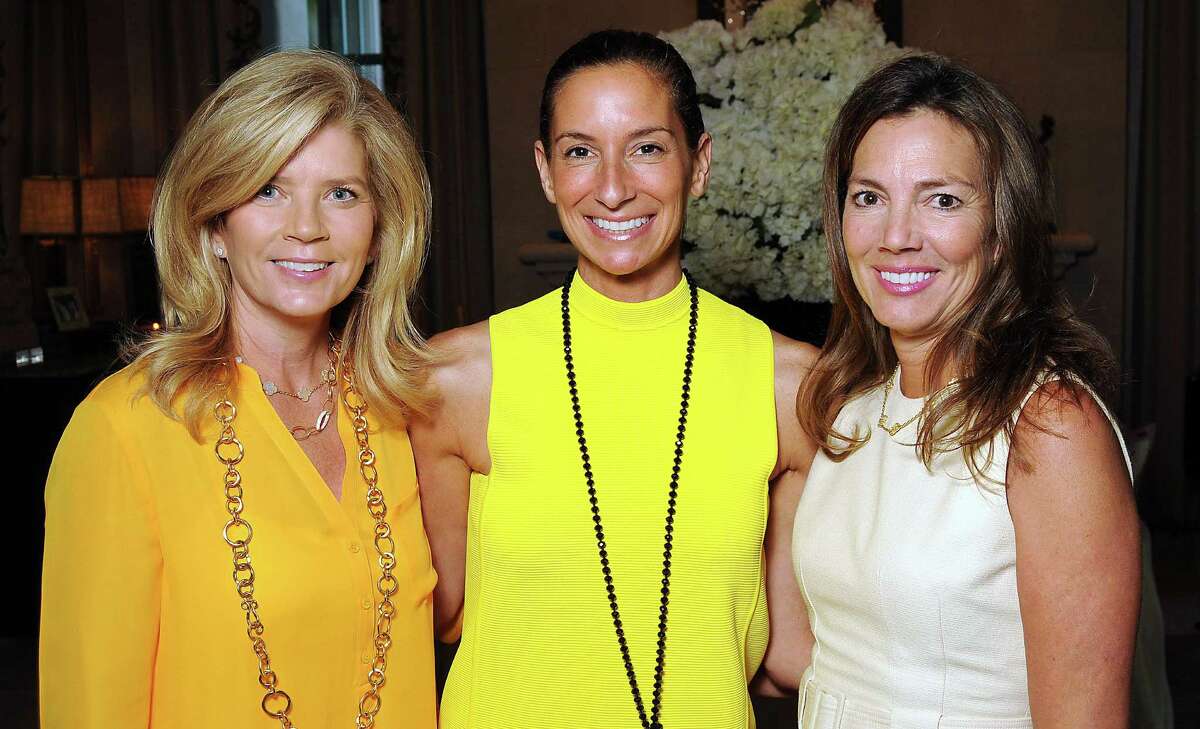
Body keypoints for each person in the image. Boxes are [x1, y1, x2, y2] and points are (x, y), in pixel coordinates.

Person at [410, 30, 816, 728]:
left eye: (647, 148)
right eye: (579, 152)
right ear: (546, 172)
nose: (613, 188)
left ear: (699, 163)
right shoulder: (457, 379)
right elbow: (437, 618)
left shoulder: (790, 385)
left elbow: (786, 652)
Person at [40, 49, 438, 728]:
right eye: (268, 190)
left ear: (378, 233)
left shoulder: (403, 410)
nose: (306, 227)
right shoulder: (124, 430)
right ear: (215, 224)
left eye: (341, 193)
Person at [762, 54, 1142, 728]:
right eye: (869, 197)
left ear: (1000, 231)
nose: (896, 237)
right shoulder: (851, 411)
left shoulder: (1049, 426)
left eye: (942, 200)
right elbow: (814, 659)